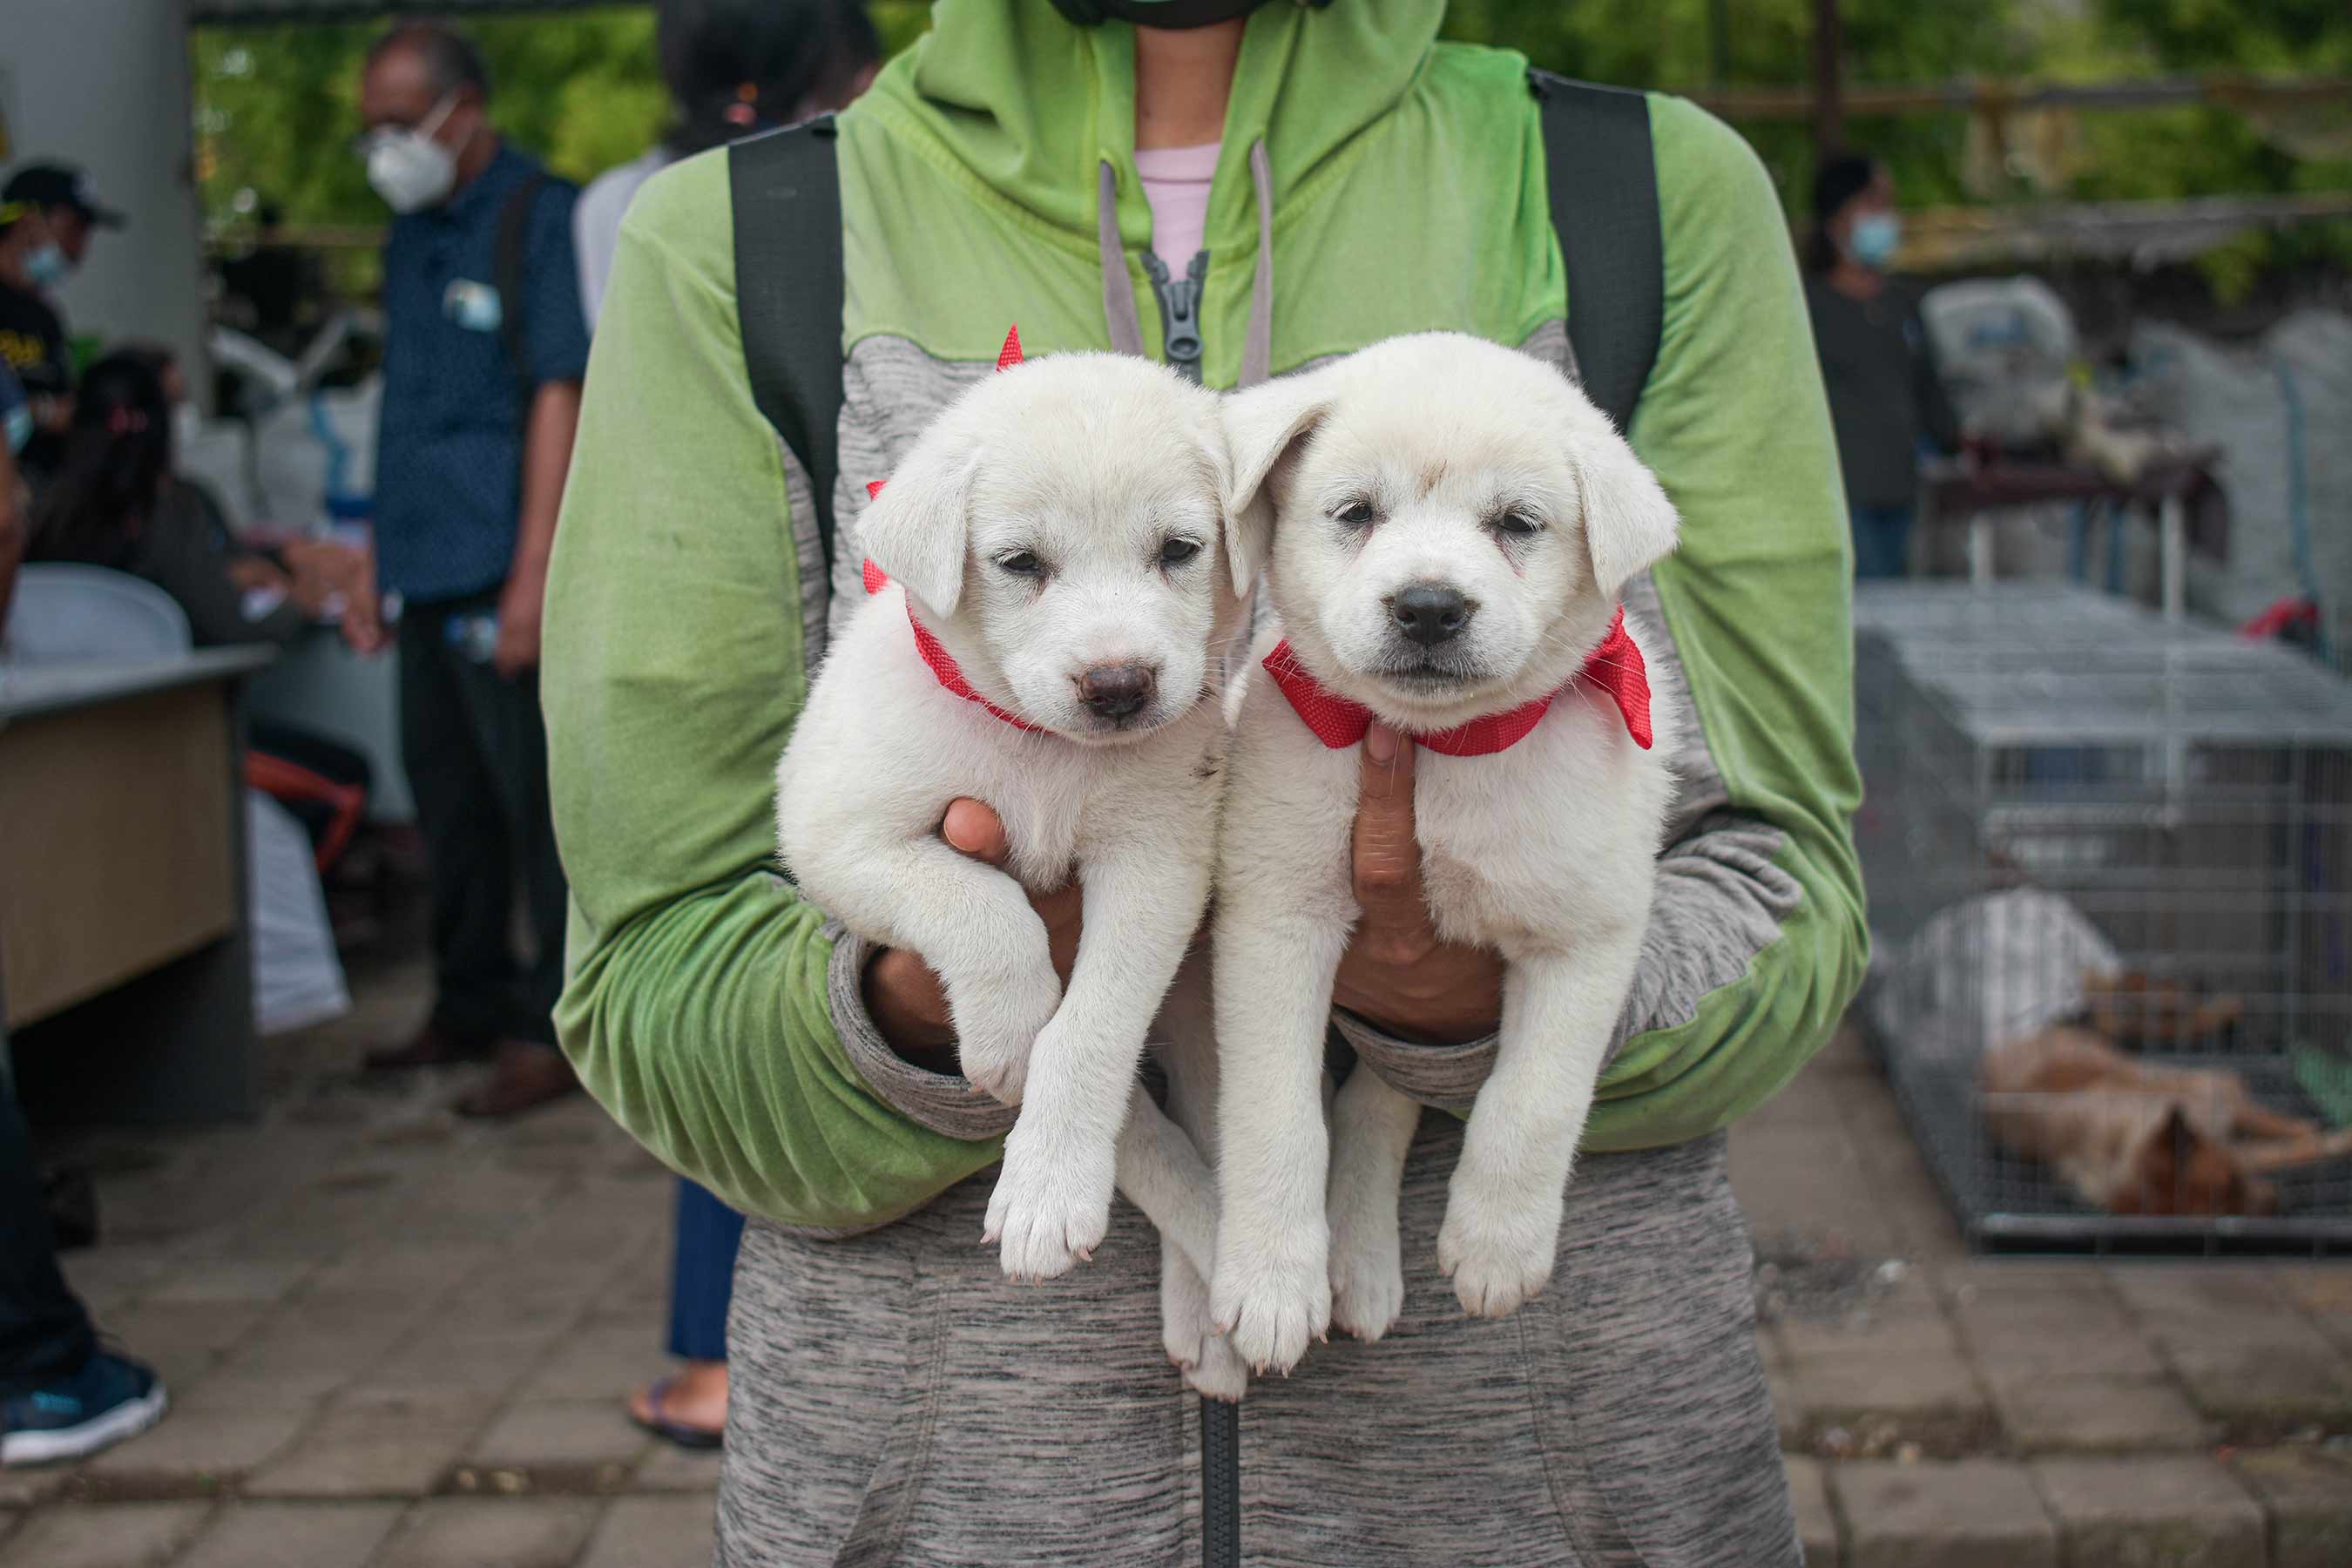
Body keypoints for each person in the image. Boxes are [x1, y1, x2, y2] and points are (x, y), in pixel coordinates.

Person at [546, 1, 1865, 1560]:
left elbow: (1792, 898)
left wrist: (1450, 1010)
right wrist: (915, 999)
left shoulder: (1638, 193)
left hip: (1542, 1482)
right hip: (957, 1496)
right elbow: (643, 975)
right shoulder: (744, 239)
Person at [573, 0, 882, 1453]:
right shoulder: (795, 210)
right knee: (773, 966)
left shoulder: (620, 206)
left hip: (668, 610)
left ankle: (705, 1346)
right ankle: (711, 1352)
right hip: (809, 654)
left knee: (733, 971)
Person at [352, 22, 591, 1117]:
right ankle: (468, 1002)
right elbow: (401, 407)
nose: (384, 150)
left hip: (507, 568)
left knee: (532, 809)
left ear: (464, 110)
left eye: (400, 125)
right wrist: (371, 556)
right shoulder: (410, 233)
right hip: (424, 565)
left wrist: (532, 580)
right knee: (446, 801)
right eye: (373, 131)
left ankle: (553, 1027)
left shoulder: (541, 218)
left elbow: (560, 390)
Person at [1804, 152, 1963, 581]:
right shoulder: (1806, 307)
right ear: (1838, 216)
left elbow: (1930, 391)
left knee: (1897, 606)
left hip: (1902, 493)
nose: (1886, 217)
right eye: (1874, 203)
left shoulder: (1900, 303)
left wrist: (1964, 444)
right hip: (1839, 499)